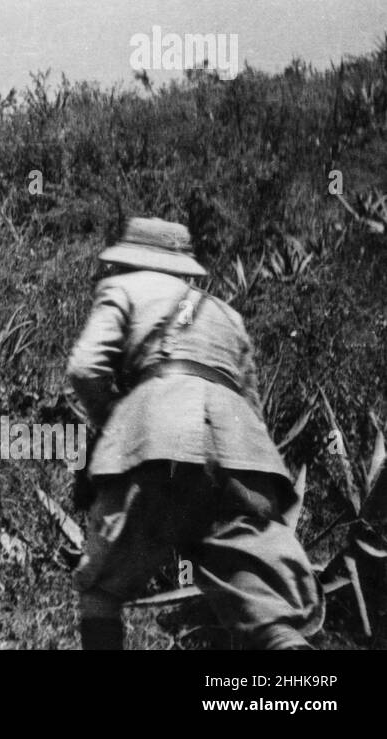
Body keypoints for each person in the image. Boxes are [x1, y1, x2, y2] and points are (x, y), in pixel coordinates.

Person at [65, 217, 323, 650]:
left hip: (155, 442)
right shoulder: (226, 314)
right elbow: (251, 409)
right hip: (239, 453)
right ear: (181, 266)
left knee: (101, 589)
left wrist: (118, 424)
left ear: (127, 260)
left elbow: (84, 369)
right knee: (266, 609)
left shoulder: (122, 290)